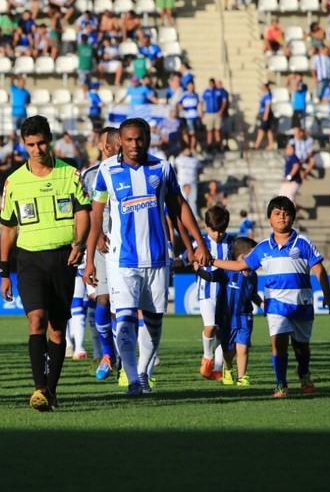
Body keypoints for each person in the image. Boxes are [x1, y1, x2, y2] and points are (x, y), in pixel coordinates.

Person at [83, 118, 211, 395]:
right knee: (126, 319)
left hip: (157, 259)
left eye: (139, 139)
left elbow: (179, 208)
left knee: (153, 322)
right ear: (120, 142)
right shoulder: (106, 170)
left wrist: (197, 244)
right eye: (128, 140)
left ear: (148, 139)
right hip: (122, 260)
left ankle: (143, 373)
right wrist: (90, 258)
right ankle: (131, 378)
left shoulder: (162, 168)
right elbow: (96, 217)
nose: (133, 145)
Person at [0, 115, 91, 411]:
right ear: (23, 145)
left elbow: (83, 212)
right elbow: (9, 228)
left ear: (49, 140)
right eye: (30, 145)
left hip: (63, 257)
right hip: (30, 260)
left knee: (57, 330)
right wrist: (4, 271)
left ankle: (51, 390)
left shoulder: (70, 175)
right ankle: (39, 389)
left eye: (41, 143)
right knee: (36, 320)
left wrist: (79, 243)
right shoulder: (14, 182)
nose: (37, 149)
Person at [211, 196, 330, 397]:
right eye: (277, 214)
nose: (282, 218)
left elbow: (319, 269)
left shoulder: (303, 243)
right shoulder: (262, 248)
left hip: (301, 303)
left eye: (286, 214)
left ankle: (303, 371)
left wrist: (327, 296)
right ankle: (281, 384)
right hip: (276, 304)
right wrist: (213, 260)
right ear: (269, 219)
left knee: (301, 347)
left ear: (293, 218)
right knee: (278, 344)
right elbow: (240, 265)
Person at [79, 127, 121, 380]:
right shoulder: (90, 175)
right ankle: (107, 354)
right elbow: (84, 213)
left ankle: (127, 358)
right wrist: (89, 242)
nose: (113, 147)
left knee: (123, 309)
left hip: (126, 247)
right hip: (99, 247)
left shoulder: (130, 171)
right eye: (111, 143)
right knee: (102, 300)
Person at [193, 237, 261, 386]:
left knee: (243, 348)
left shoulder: (253, 276)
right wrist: (199, 271)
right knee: (229, 352)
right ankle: (228, 368)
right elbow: (210, 276)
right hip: (227, 319)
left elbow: (253, 294)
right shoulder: (227, 272)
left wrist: (262, 304)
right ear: (243, 257)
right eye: (254, 255)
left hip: (245, 317)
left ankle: (242, 377)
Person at [192, 206, 234, 381]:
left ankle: (217, 368)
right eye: (214, 230)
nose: (217, 234)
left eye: (221, 230)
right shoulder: (199, 243)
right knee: (209, 326)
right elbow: (186, 256)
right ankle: (207, 357)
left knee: (221, 332)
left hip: (225, 293)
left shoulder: (231, 243)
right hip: (207, 292)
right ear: (206, 226)